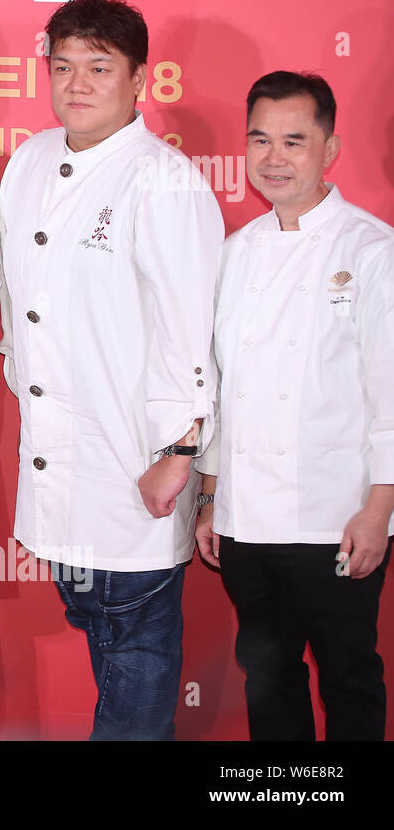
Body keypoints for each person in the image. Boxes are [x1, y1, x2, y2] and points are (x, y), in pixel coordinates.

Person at [0, 0, 224, 740]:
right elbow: (18, 303)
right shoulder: (29, 160)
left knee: (136, 653)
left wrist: (181, 451)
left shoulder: (163, 180)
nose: (78, 84)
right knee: (100, 630)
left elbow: (191, 330)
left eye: (99, 67)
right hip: (59, 459)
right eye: (63, 67)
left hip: (136, 464)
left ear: (140, 80)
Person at [194, 71, 393, 740]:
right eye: (260, 140)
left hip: (338, 515)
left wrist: (380, 507)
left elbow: (389, 389)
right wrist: (213, 494)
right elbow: (223, 383)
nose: (274, 159)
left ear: (330, 149)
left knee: (349, 677)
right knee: (270, 677)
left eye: (294, 141)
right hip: (250, 522)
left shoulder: (372, 250)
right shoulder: (235, 254)